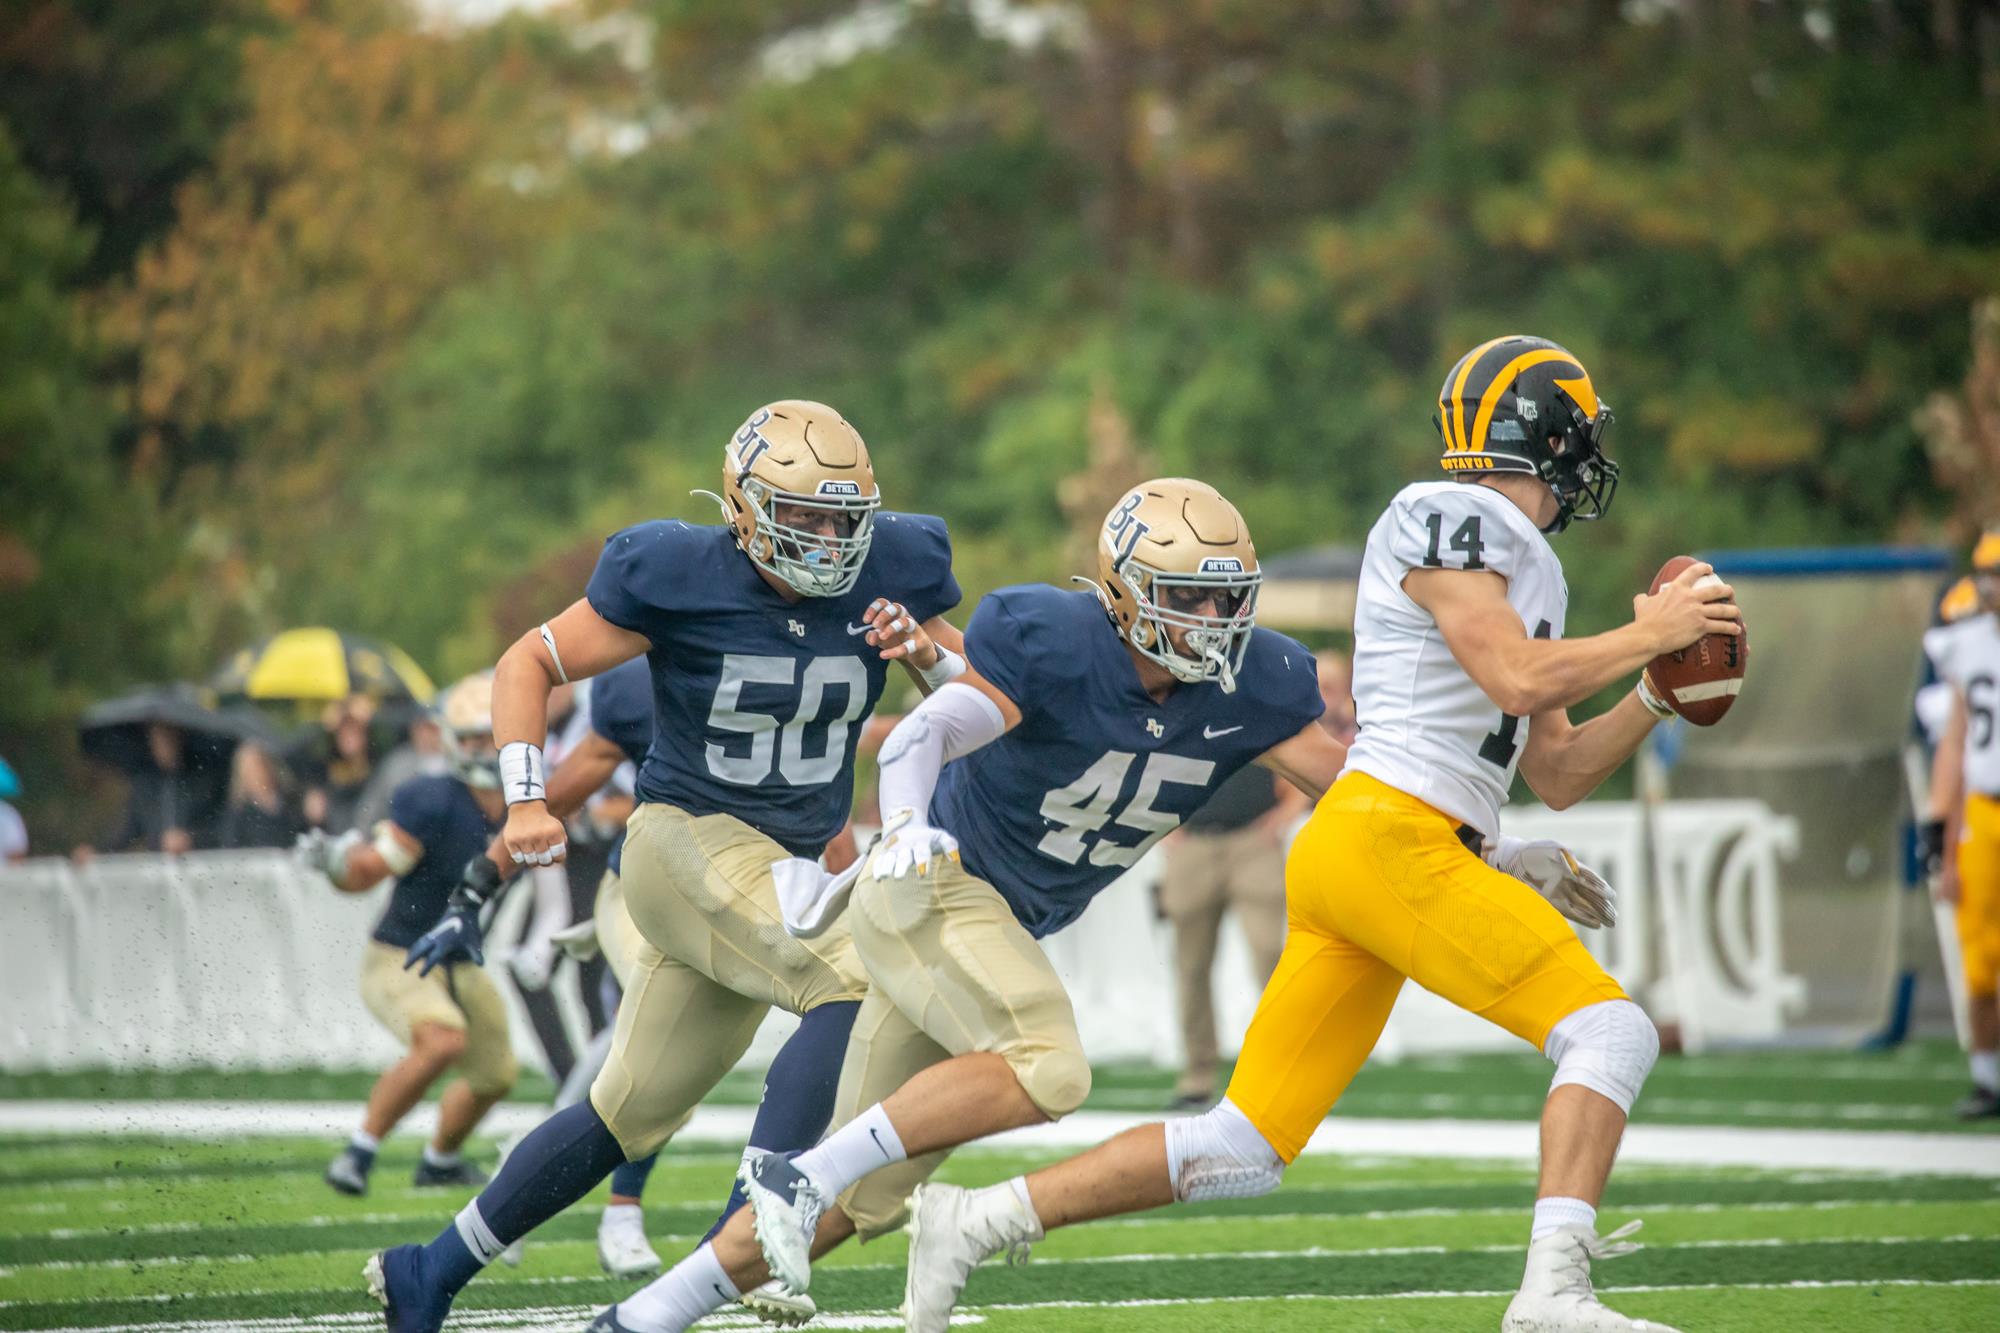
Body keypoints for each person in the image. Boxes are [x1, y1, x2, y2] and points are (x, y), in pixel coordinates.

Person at [894, 336, 1738, 1333]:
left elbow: (1549, 768)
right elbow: (1513, 677)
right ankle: (1552, 1293)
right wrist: (1650, 630)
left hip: (1381, 844)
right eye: (1578, 434)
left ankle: (976, 1219)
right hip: (1387, 837)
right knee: (1609, 1027)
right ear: (1545, 434)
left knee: (1242, 1144)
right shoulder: (1451, 517)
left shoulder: (1525, 561)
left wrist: (1653, 690)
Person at [601, 478, 1353, 1333]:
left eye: (1230, 594)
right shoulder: (1056, 641)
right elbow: (926, 732)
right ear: (1124, 592)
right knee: (1051, 1063)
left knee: (855, 1204)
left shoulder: (1258, 682)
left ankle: (643, 1317)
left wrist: (1484, 846)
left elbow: (1360, 791)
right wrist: (912, 822)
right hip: (933, 887)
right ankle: (798, 1173)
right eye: (1189, 595)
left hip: (985, 930)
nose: (1214, 615)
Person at [360, 399, 962, 1332]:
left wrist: (930, 660)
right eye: (801, 515)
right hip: (686, 841)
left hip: (783, 864)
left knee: (625, 1113)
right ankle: (755, 1224)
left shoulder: (896, 568)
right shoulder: (676, 572)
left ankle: (427, 1269)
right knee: (858, 973)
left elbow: (977, 700)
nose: (827, 537)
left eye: (844, 517)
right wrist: (524, 799)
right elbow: (530, 661)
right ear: (743, 506)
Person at [296, 672, 517, 1197]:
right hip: (401, 953)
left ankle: (439, 1160)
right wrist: (335, 864)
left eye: (486, 736)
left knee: (496, 1073)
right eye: (468, 738)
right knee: (442, 1040)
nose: (476, 750)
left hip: (460, 959)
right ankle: (358, 1152)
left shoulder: (525, 804)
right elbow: (372, 869)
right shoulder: (434, 799)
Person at [1921, 530, 2000, 1120]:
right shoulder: (1967, 644)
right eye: (1987, 574)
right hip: (1983, 810)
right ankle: (1987, 1077)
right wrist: (1942, 830)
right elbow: (1954, 742)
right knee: (1978, 958)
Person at [1157, 764, 1289, 1110]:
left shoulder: (1262, 710)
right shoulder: (1178, 712)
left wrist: (1282, 818)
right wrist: (1161, 829)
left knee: (1270, 956)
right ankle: (1197, 1077)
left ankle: (1286, 1072)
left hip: (1252, 839)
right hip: (1193, 844)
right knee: (1191, 967)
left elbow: (1300, 762)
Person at [79, 721, 227, 856]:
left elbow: (223, 826)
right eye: (158, 738)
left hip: (201, 866)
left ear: (181, 737)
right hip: (160, 870)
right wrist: (98, 851)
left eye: (170, 737)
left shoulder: (204, 778)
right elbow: (127, 831)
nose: (165, 744)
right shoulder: (145, 784)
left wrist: (192, 839)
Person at [219, 740, 308, 849]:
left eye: (260, 765)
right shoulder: (238, 813)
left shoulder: (293, 800)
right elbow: (232, 849)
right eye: (251, 770)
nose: (258, 773)